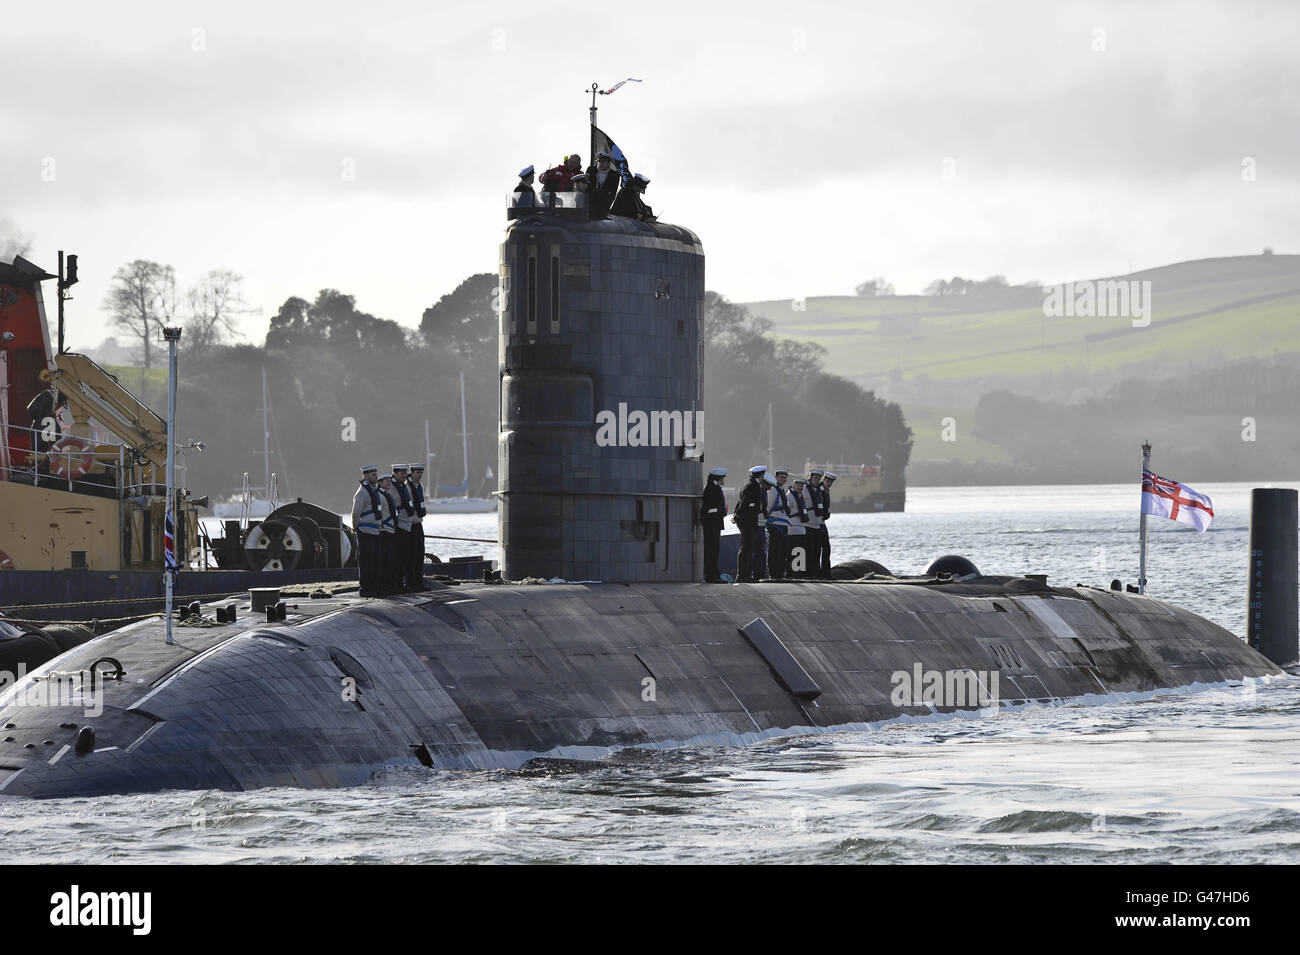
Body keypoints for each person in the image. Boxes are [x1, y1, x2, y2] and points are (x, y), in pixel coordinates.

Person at [350, 465, 385, 597]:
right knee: (366, 561)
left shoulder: (374, 491)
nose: (375, 477)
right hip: (365, 531)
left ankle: (374, 586)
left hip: (375, 530)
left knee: (375, 560)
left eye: (376, 474)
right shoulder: (361, 493)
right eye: (372, 475)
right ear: (365, 476)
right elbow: (356, 513)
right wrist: (355, 527)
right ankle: (365, 588)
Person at [732, 465, 767, 583]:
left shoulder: (753, 485)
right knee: (746, 549)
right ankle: (742, 575)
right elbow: (744, 504)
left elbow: (741, 503)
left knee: (748, 548)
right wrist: (737, 516)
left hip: (750, 521)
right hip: (747, 522)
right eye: (763, 475)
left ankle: (746, 574)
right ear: (760, 475)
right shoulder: (752, 487)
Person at [764, 468, 794, 580]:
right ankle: (773, 574)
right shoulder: (773, 490)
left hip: (783, 525)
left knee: (783, 551)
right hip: (775, 524)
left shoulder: (781, 490)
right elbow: (768, 508)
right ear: (776, 477)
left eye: (785, 478)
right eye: (781, 477)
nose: (784, 480)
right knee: (774, 551)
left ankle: (780, 573)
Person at [390, 464, 415, 592]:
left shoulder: (403, 486)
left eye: (405, 473)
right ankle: (397, 584)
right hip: (398, 526)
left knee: (405, 556)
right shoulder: (391, 487)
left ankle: (403, 583)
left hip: (406, 525)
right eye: (402, 474)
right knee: (397, 557)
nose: (405, 476)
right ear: (394, 473)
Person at [699, 467, 727, 583]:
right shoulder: (711, 489)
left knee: (715, 549)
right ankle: (710, 573)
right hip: (711, 523)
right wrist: (721, 510)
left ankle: (714, 572)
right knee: (711, 549)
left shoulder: (716, 488)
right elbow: (708, 509)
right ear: (718, 478)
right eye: (722, 478)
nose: (724, 481)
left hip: (715, 523)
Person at [377, 471, 400, 595]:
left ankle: (390, 584)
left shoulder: (387, 494)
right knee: (385, 560)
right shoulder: (380, 496)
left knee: (391, 560)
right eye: (386, 480)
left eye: (389, 480)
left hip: (391, 530)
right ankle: (385, 585)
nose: (389, 482)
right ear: (380, 483)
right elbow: (379, 514)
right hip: (385, 531)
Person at [407, 462, 430, 590]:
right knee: (412, 555)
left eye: (421, 472)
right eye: (417, 473)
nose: (420, 475)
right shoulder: (407, 486)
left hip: (418, 523)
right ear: (412, 472)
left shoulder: (419, 485)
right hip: (410, 525)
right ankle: (411, 583)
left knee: (420, 554)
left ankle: (418, 582)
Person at [794, 474, 821, 578]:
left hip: (817, 526)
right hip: (807, 526)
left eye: (819, 479)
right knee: (808, 551)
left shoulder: (817, 490)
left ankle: (815, 573)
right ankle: (807, 573)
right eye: (815, 478)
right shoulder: (805, 490)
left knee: (816, 551)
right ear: (810, 478)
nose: (817, 480)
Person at [786, 477, 811, 577]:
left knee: (800, 553)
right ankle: (791, 573)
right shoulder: (790, 497)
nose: (800, 487)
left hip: (801, 530)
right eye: (798, 485)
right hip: (792, 530)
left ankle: (799, 573)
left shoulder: (800, 496)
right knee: (792, 553)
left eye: (801, 486)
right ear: (793, 486)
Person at [586, 151, 621, 219]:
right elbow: (586, 187)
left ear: (609, 163)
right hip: (589, 204)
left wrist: (606, 209)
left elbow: (612, 194)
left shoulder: (614, 175)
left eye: (603, 161)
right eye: (599, 161)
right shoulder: (591, 170)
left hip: (603, 205)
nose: (601, 164)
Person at [820, 471, 837, 578]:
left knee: (827, 548)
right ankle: (820, 572)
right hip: (817, 523)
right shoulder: (819, 490)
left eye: (831, 481)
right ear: (824, 480)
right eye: (828, 481)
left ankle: (826, 572)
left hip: (822, 522)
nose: (829, 483)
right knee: (817, 549)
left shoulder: (826, 491)